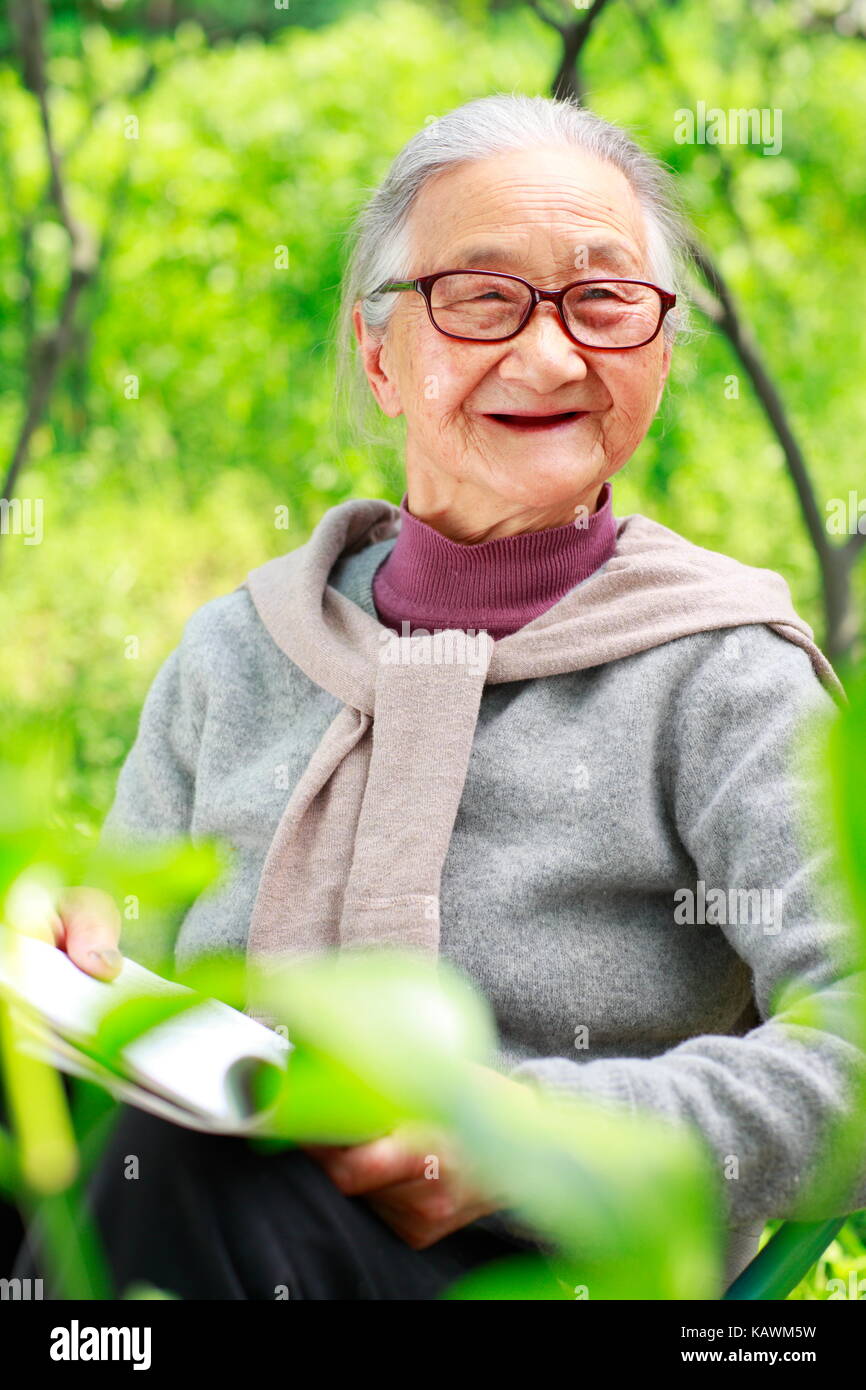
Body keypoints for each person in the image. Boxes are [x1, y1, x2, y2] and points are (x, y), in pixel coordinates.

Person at [16, 92, 866, 1300]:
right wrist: (63, 937)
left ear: (660, 353)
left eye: (602, 299)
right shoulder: (240, 651)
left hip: (534, 1269)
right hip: (184, 1215)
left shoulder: (722, 676)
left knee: (177, 1176)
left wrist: (527, 1132)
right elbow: (110, 973)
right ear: (379, 355)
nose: (549, 353)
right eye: (480, 297)